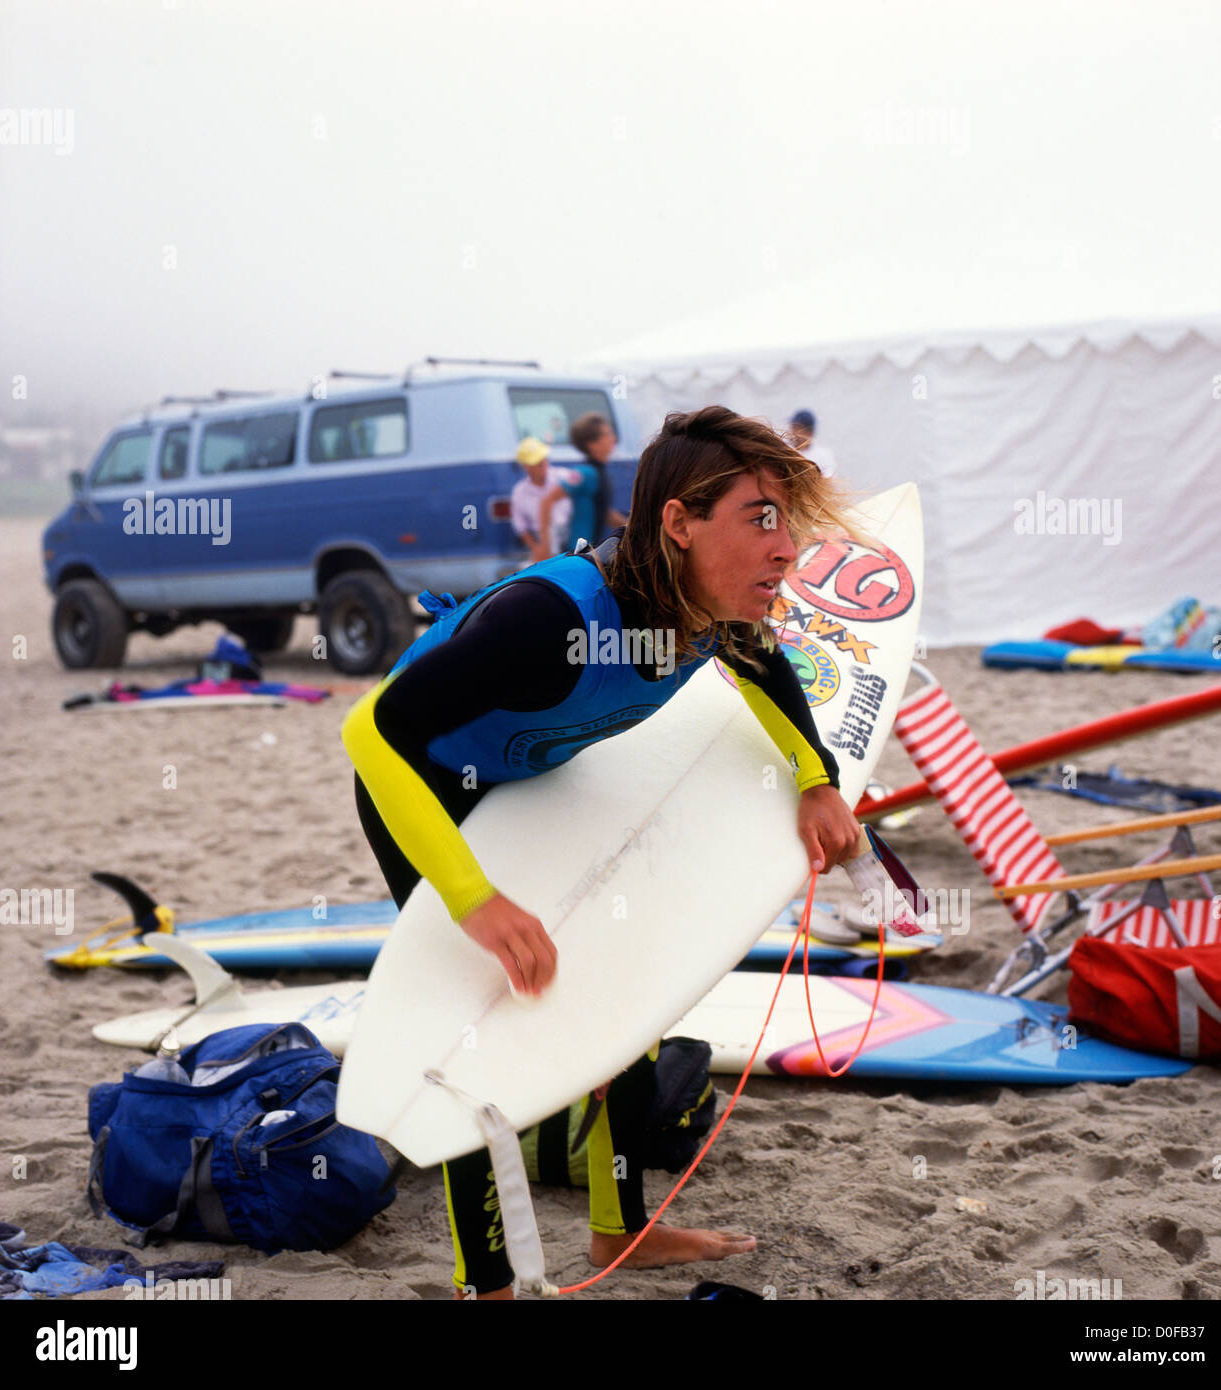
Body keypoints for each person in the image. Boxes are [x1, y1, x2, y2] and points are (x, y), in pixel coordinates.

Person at [342, 404, 861, 1299]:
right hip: (421, 786)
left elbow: (768, 666)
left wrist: (813, 779)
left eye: (789, 525)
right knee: (479, 1024)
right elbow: (371, 732)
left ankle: (620, 1232)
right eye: (761, 520)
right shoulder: (546, 625)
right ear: (679, 523)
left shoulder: (713, 609)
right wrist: (473, 899)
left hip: (526, 774)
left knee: (620, 999)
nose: (787, 551)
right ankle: (489, 1284)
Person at [531, 411, 626, 560]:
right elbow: (547, 501)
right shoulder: (585, 473)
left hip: (592, 553)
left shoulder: (599, 472)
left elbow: (604, 514)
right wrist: (545, 545)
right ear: (591, 444)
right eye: (607, 435)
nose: (613, 439)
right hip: (578, 553)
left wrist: (633, 525)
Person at [509, 436, 571, 561]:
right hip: (542, 542)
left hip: (571, 536)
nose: (542, 464)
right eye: (537, 462)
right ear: (526, 466)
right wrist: (537, 549)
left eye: (543, 459)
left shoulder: (564, 476)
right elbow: (520, 526)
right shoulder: (519, 492)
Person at [789, 408, 836, 478]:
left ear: (809, 432)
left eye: (796, 428)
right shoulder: (785, 450)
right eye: (792, 427)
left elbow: (828, 479)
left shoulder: (823, 455)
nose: (792, 431)